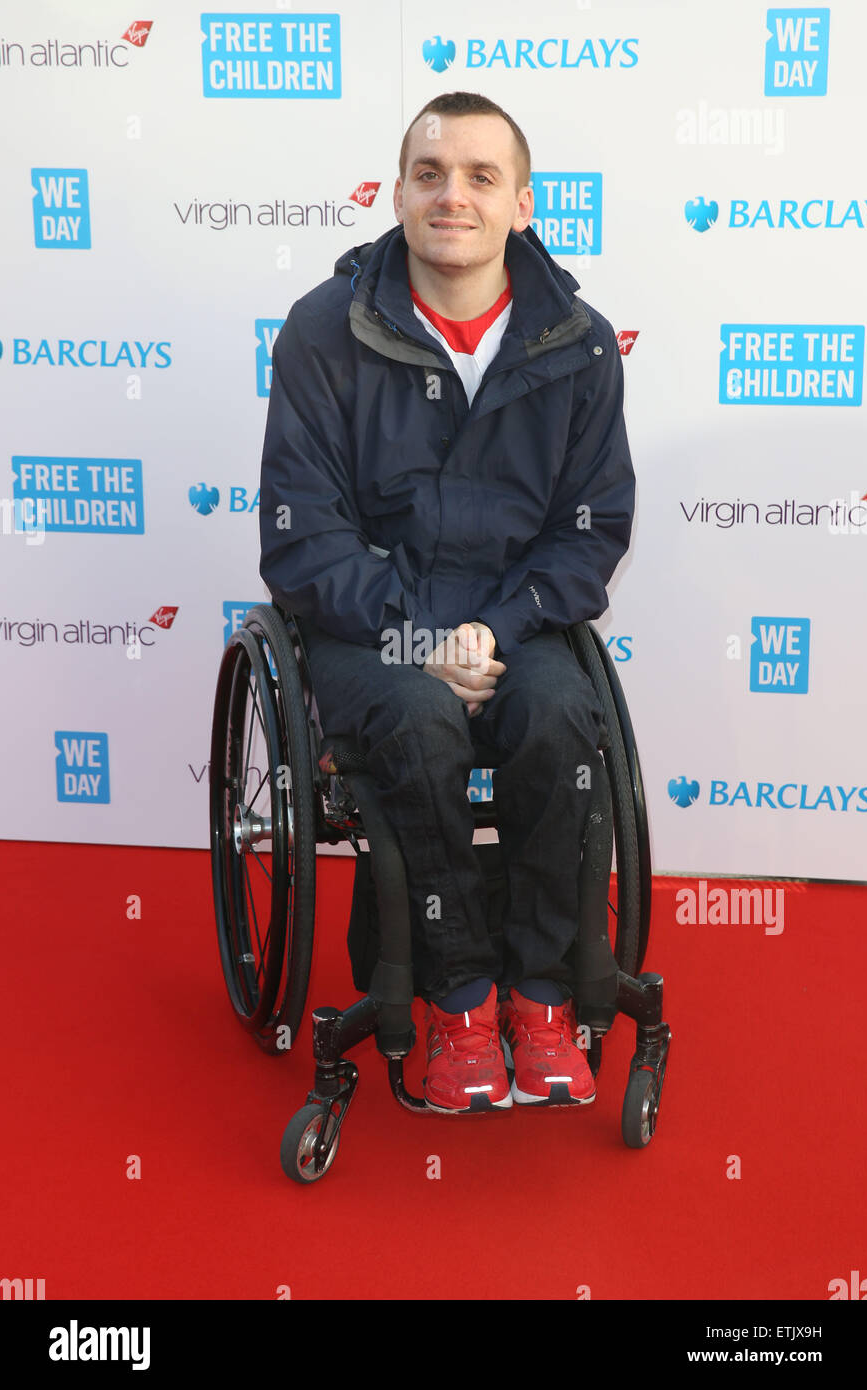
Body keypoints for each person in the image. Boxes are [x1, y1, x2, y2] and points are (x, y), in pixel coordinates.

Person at [259, 91, 635, 1113]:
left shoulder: (580, 343)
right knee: (419, 722)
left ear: (522, 202)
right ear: (397, 193)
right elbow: (302, 542)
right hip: (368, 627)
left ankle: (541, 995)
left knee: (561, 716)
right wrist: (423, 639)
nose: (451, 196)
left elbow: (590, 532)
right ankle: (460, 1000)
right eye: (430, 174)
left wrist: (492, 629)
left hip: (515, 620)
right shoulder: (323, 334)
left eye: (479, 177)